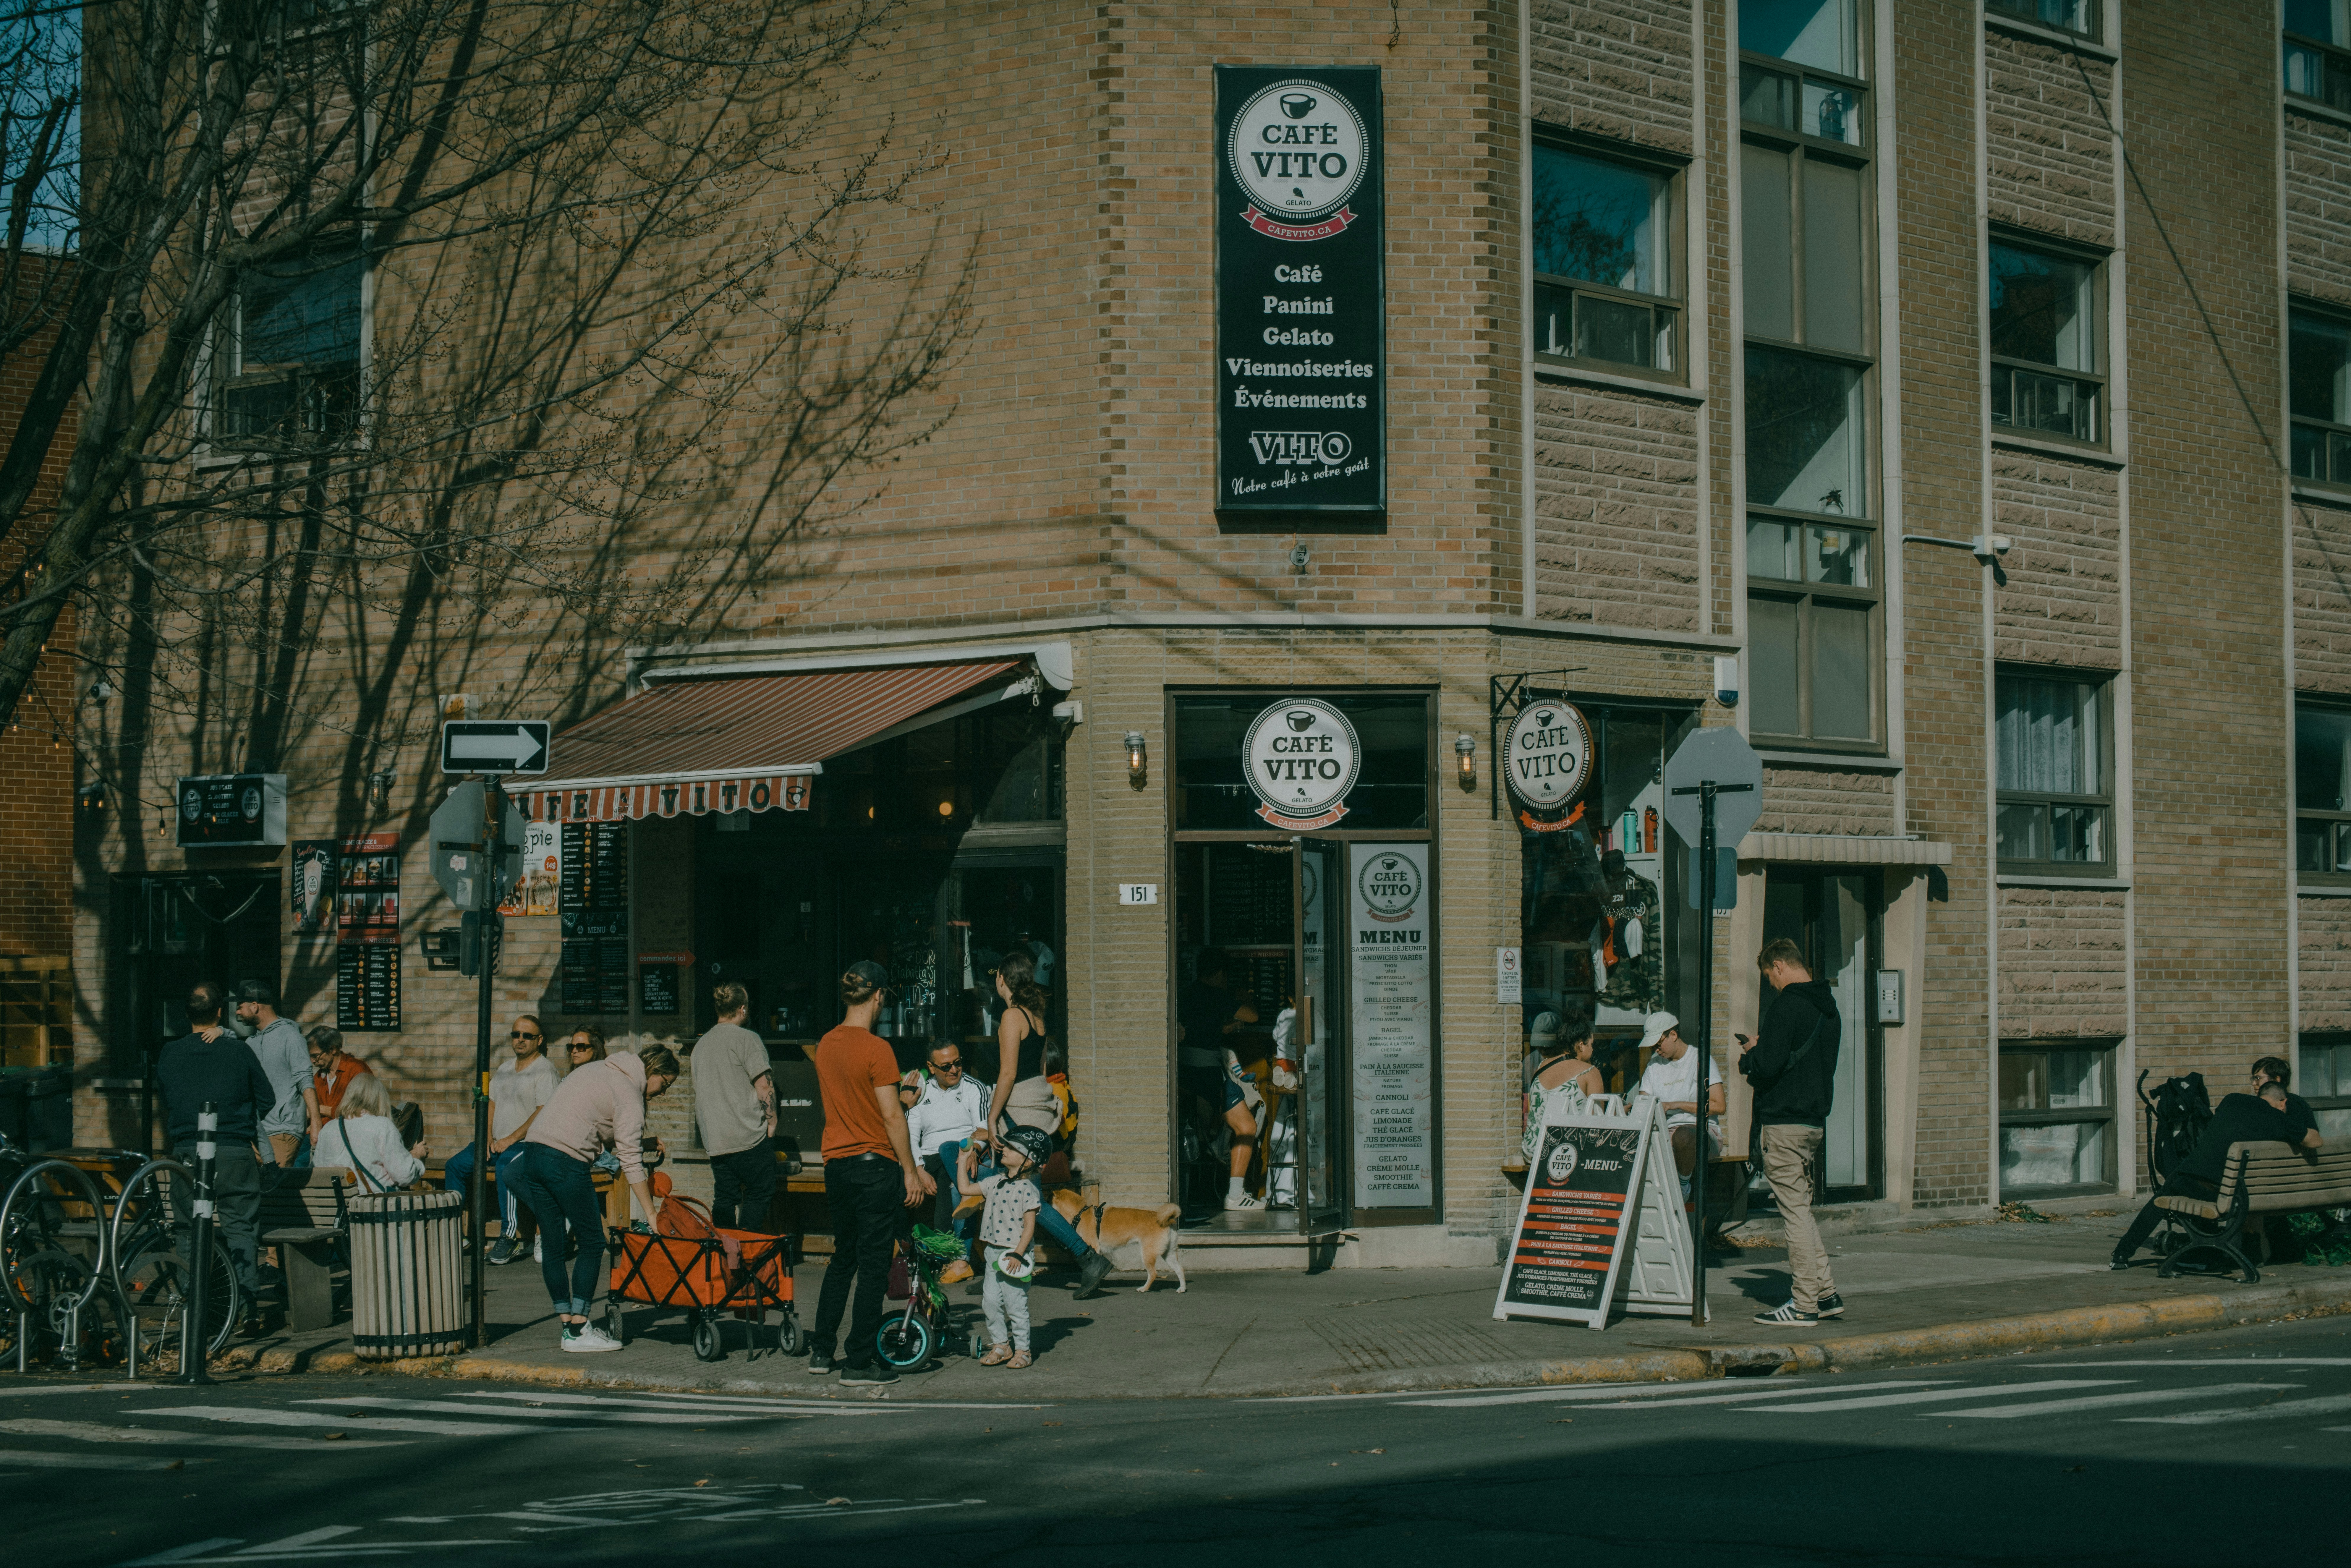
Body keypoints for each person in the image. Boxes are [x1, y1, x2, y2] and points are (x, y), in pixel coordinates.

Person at [806, 960, 932, 1385]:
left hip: (836, 1166)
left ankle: (822, 1351)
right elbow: (891, 1117)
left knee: (843, 1258)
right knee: (874, 1267)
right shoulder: (877, 1049)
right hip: (875, 1167)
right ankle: (858, 1363)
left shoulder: (826, 1044)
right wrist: (911, 1173)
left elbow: (844, 1104)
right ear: (878, 996)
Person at [519, 1043, 679, 1352]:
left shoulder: (598, 1070)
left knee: (553, 1245)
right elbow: (630, 1161)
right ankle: (580, 1329)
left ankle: (568, 1326)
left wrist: (641, 1140)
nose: (662, 1093)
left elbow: (592, 1125)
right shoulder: (631, 1094)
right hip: (565, 1162)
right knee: (593, 1242)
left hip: (534, 1153)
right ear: (654, 1071)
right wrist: (651, 1213)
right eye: (665, 1085)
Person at [982, 951, 1113, 1293]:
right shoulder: (1036, 1015)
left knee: (1025, 1196)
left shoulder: (1011, 1017)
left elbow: (1009, 1073)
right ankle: (1001, 1268)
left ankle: (1087, 1257)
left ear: (1002, 980)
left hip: (1018, 1111)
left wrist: (993, 1114)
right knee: (1012, 1191)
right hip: (1037, 1109)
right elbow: (1041, 1069)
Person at [2112, 1061, 2323, 1269]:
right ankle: (2234, 1253)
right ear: (2283, 1103)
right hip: (2235, 1194)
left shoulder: (2232, 1100)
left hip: (2199, 1182)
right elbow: (2316, 1141)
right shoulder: (2279, 1121)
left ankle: (2122, 1254)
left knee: (2161, 1199)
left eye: (2257, 1079)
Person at [1740, 938, 1844, 1326]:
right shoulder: (1828, 1008)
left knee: (1794, 1215)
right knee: (1801, 1207)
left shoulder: (1786, 1005)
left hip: (1784, 1120)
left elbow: (1768, 1066)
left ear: (1779, 966)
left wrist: (1752, 1053)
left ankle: (1804, 1305)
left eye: (1769, 977)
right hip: (1814, 1121)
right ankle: (1826, 1293)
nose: (1772, 984)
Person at [156, 981, 274, 1314]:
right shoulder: (238, 1051)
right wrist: (240, 1119)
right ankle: (245, 1304)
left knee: (187, 1229)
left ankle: (194, 1302)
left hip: (186, 1151)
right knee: (241, 1229)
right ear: (220, 1012)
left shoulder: (171, 1053)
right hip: (235, 1148)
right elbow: (268, 1099)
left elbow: (166, 1100)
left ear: (186, 1014)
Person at [443, 1015, 560, 1265]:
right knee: (454, 1165)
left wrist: (510, 1139)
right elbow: (490, 1103)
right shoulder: (505, 1069)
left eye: (527, 1036)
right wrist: (486, 1136)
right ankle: (454, 1232)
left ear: (539, 1040)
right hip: (497, 1142)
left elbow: (543, 1113)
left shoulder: (545, 1071)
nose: (520, 1040)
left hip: (528, 1145)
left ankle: (509, 1236)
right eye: (516, 1034)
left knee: (505, 1168)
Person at [1176, 950, 1263, 1212]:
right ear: (1220, 974)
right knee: (1247, 1127)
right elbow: (1253, 1016)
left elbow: (1199, 1028)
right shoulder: (1218, 995)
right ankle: (1236, 1195)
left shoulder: (1185, 994)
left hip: (1184, 1073)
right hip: (1208, 1074)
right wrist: (1241, 997)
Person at [961, 1125, 1050, 1369]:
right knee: (990, 1302)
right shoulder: (995, 1182)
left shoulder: (1028, 1190)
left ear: (1029, 1160)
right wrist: (962, 1160)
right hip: (992, 1253)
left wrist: (1019, 1254)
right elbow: (965, 1189)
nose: (1005, 1150)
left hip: (1015, 1256)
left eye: (1012, 1148)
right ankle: (1002, 1345)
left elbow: (1030, 1228)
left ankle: (1023, 1350)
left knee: (1016, 1305)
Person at [694, 984, 779, 1231]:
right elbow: (764, 1086)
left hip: (717, 1140)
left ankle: (727, 1254)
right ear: (743, 1009)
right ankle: (746, 1252)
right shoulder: (748, 1039)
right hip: (748, 1135)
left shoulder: (701, 1046)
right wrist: (772, 1122)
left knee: (725, 1198)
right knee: (759, 1193)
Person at [903, 1040, 991, 1242]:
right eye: (946, 1067)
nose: (954, 1070)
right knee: (898, 1184)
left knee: (946, 1171)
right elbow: (911, 1136)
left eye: (958, 1063)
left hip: (961, 1154)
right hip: (927, 1158)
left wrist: (975, 1151)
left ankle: (941, 1247)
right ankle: (906, 1249)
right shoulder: (921, 1091)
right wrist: (918, 1170)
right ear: (931, 1068)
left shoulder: (973, 1087)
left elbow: (983, 1129)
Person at [1633, 1011, 1725, 1196]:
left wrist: (1676, 1105)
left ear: (1673, 1035)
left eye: (1658, 1045)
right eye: (1653, 1047)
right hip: (1664, 1132)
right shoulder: (1654, 1066)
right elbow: (1644, 1101)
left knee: (1684, 1136)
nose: (1657, 1051)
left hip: (1699, 1131)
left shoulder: (1701, 1060)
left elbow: (1719, 1106)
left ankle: (1683, 1186)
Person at [236, 979, 315, 1168]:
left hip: (283, 1130)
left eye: (240, 1007)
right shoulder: (251, 1042)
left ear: (255, 1006)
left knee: (274, 1189)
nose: (238, 1012)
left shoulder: (290, 1036)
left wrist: (317, 1125)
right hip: (257, 1132)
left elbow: (305, 1079)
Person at [314, 1073, 427, 1191]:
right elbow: (405, 1176)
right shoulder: (382, 1125)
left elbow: (317, 1172)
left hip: (334, 1206)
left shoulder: (328, 1128)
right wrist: (417, 1157)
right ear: (379, 1099)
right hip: (372, 1205)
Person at [1522, 1007, 1604, 1168]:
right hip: (1563, 1157)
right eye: (1591, 1045)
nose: (1593, 1050)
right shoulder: (1590, 1072)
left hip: (1532, 1151)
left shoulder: (1541, 1067)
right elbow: (1598, 1125)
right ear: (1581, 1046)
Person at [306, 1026, 372, 1128]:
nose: (312, 1061)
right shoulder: (319, 1077)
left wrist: (320, 1110)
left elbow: (361, 1111)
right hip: (322, 1130)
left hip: (348, 1131)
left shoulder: (358, 1070)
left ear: (333, 1050)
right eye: (310, 1056)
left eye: (316, 1056)